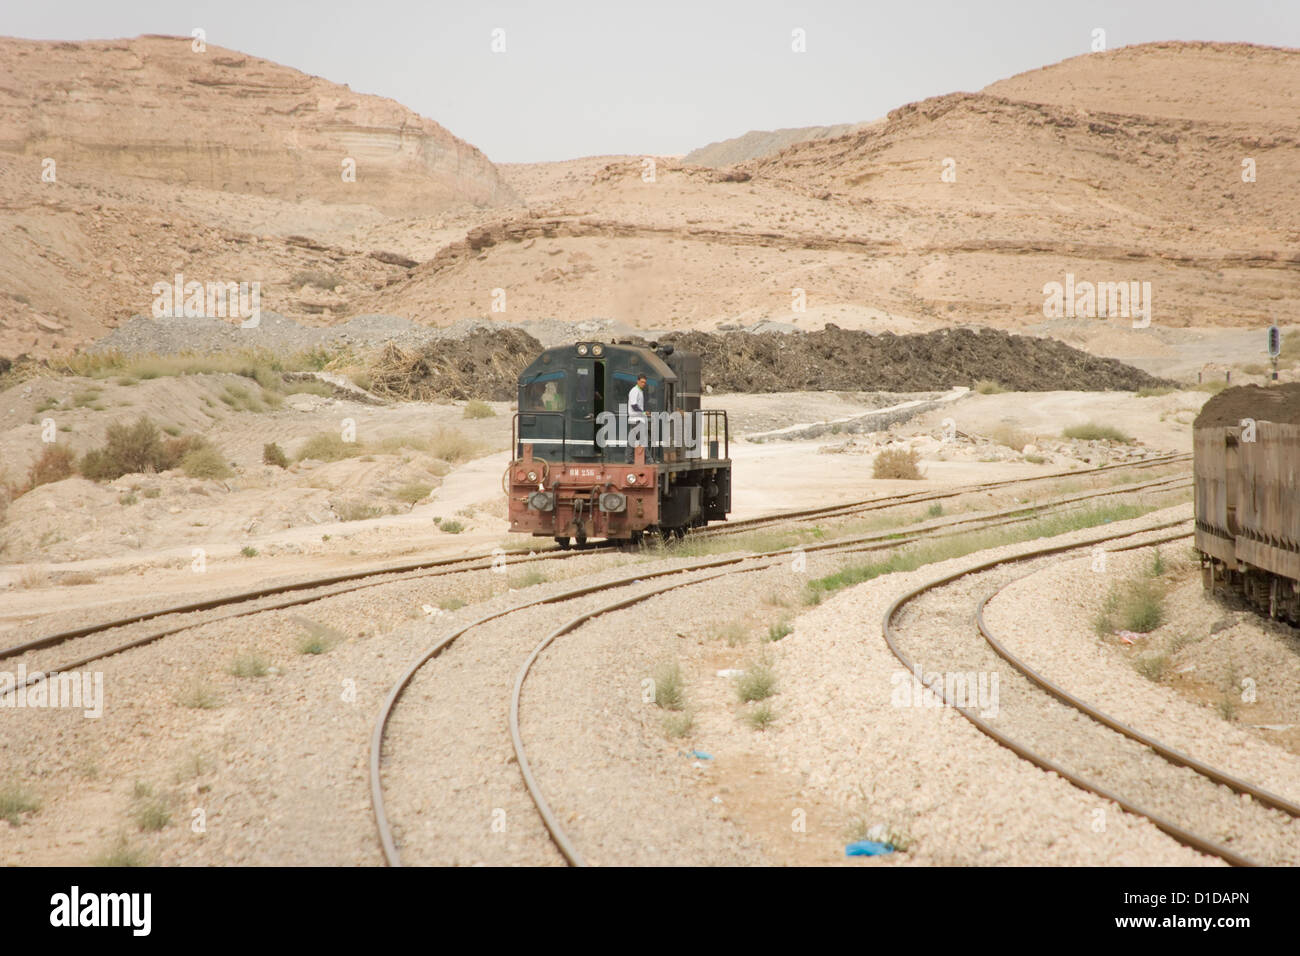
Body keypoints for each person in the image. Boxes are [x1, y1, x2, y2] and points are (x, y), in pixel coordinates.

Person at [626, 373, 648, 463]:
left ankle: (629, 459)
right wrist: (643, 412)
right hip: (636, 420)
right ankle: (649, 460)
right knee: (643, 441)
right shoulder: (635, 391)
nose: (643, 384)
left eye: (644, 382)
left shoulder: (639, 391)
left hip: (635, 420)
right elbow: (634, 405)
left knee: (631, 441)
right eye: (642, 382)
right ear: (637, 381)